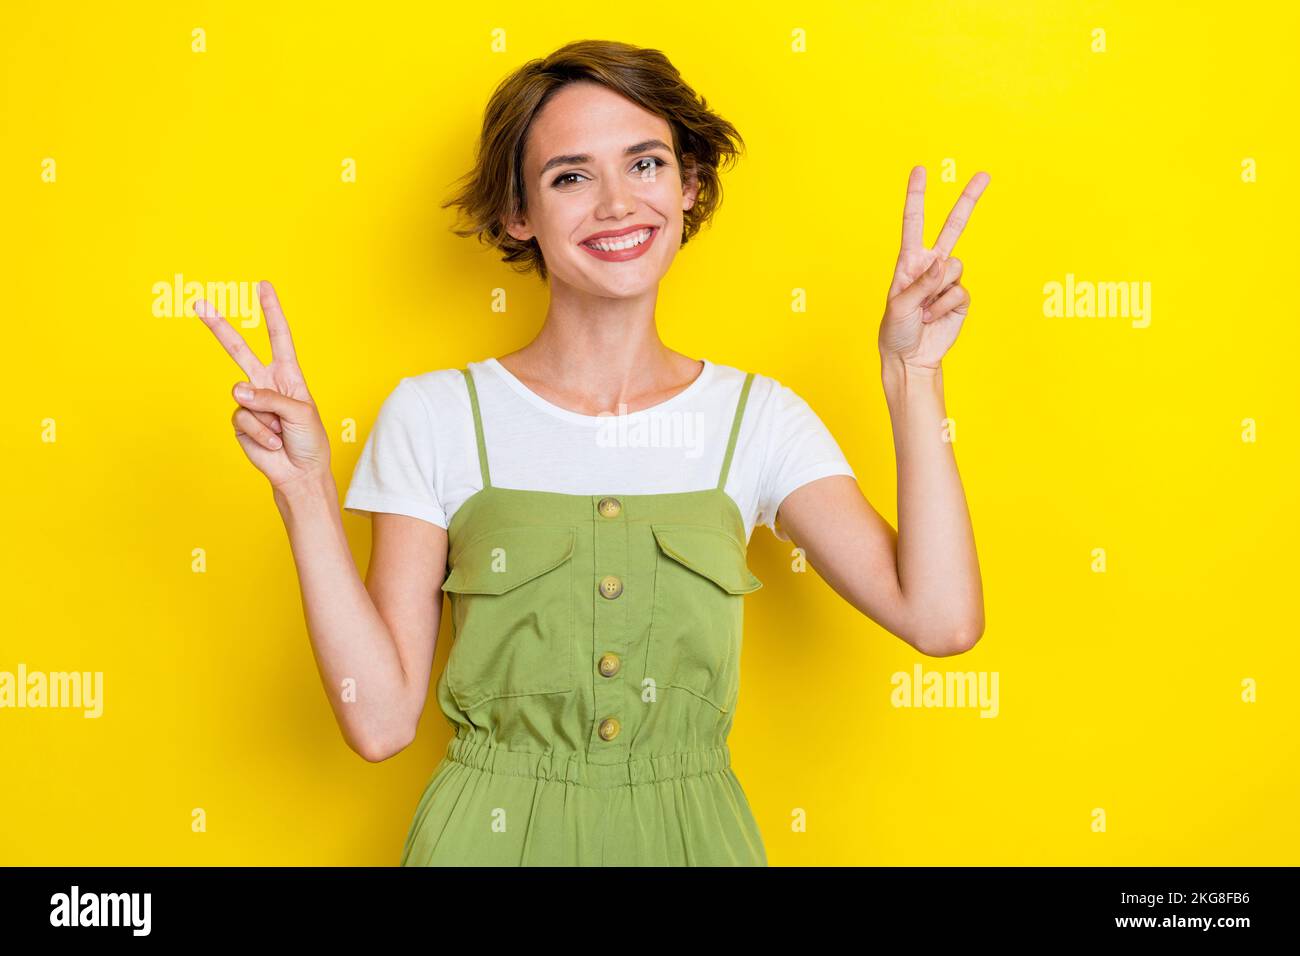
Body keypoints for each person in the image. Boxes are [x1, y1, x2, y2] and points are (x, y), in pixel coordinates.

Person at [195, 39, 987, 866]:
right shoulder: (434, 415)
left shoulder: (759, 420)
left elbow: (940, 620)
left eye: (644, 164)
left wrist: (913, 372)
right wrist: (305, 488)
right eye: (570, 176)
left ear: (688, 187)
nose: (616, 204)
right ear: (519, 214)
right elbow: (381, 721)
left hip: (694, 841)